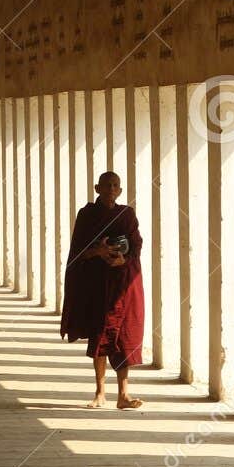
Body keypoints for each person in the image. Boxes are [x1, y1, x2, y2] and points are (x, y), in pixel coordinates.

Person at [60, 171, 145, 409]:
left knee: (123, 338)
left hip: (122, 284)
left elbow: (136, 245)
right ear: (97, 188)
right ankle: (100, 392)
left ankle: (123, 395)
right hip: (96, 284)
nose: (110, 189)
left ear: (120, 190)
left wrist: (123, 260)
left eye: (115, 185)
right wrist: (97, 252)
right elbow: (77, 251)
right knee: (100, 336)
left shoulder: (126, 215)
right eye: (106, 185)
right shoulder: (87, 215)